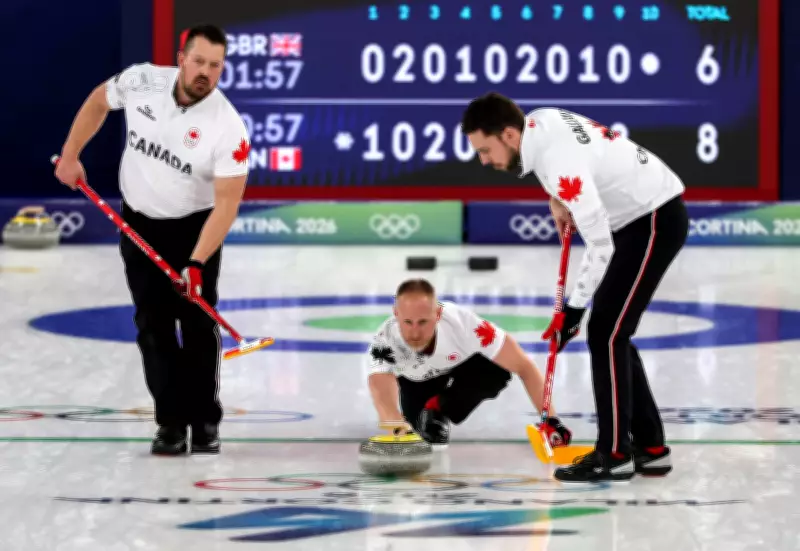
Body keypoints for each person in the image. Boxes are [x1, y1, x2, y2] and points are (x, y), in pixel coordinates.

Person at [460, 92, 686, 482]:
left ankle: (614, 454)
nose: (483, 160)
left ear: (509, 135)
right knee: (613, 333)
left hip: (652, 220)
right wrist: (558, 197)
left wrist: (573, 310)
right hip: (635, 217)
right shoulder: (539, 122)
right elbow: (570, 158)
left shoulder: (559, 160)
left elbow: (600, 246)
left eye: (485, 150)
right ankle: (650, 448)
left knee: (606, 334)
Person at [53, 24, 251, 456]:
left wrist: (196, 263)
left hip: (195, 231)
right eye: (199, 61)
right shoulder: (142, 80)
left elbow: (226, 205)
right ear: (181, 59)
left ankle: (204, 421)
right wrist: (71, 155)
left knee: (197, 325)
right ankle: (170, 424)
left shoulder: (228, 127)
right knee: (153, 324)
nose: (205, 72)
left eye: (215, 65)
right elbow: (98, 101)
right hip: (138, 225)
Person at [367, 278, 572, 449]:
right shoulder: (385, 339)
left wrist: (550, 419)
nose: (415, 333)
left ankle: (439, 407)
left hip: (459, 368)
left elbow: (524, 367)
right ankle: (424, 413)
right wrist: (397, 428)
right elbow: (380, 388)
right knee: (422, 434)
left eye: (423, 322)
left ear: (437, 314)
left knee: (497, 370)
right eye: (407, 322)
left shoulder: (465, 325)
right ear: (396, 314)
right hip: (416, 381)